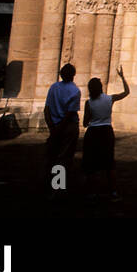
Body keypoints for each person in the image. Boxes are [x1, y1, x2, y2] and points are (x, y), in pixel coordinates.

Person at [82, 65, 130, 198]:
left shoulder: (89, 103)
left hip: (93, 133)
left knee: (91, 163)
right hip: (106, 132)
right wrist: (122, 78)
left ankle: (92, 192)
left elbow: (85, 123)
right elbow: (126, 92)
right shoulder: (110, 99)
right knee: (109, 163)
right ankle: (113, 191)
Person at [43, 64, 81, 195]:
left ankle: (53, 185)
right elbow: (70, 114)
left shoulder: (54, 87)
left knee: (52, 156)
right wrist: (58, 129)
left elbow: (46, 109)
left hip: (54, 125)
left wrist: (52, 128)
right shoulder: (75, 91)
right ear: (73, 75)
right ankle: (57, 188)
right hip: (67, 127)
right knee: (63, 158)